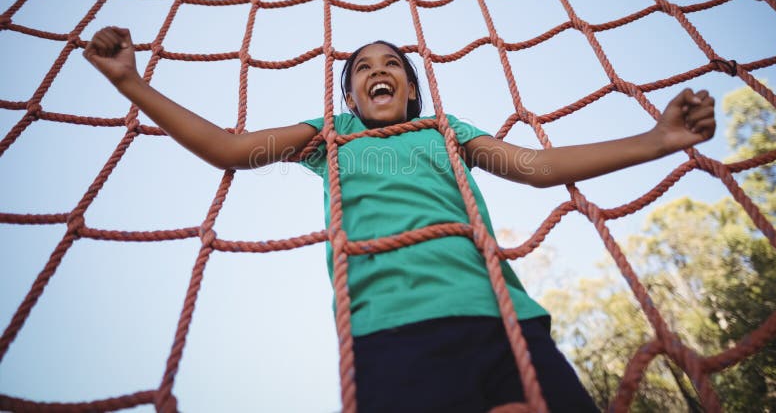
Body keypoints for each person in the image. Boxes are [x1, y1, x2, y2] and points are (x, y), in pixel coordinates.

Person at [83, 27, 716, 412]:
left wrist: (657, 139)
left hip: (503, 321)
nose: (377, 72)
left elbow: (537, 166)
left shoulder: (447, 130)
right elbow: (227, 147)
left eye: (391, 66)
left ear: (411, 90)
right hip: (388, 333)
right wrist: (130, 83)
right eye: (362, 69)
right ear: (349, 96)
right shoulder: (330, 136)